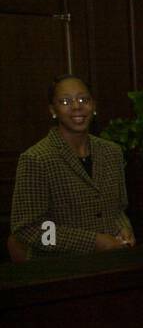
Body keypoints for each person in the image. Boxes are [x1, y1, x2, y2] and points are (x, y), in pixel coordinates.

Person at [8, 75, 134, 260]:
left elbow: (118, 209)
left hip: (112, 259)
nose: (77, 106)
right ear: (53, 110)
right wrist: (93, 241)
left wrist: (124, 229)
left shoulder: (112, 152)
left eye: (84, 99)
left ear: (94, 106)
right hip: (60, 266)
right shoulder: (36, 158)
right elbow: (29, 229)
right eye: (65, 101)